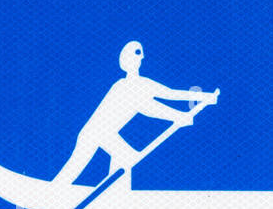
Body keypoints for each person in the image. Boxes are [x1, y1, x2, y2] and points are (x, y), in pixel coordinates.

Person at [51, 41, 217, 188]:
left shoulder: (144, 84)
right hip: (94, 133)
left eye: (141, 53)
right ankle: (50, 194)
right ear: (126, 59)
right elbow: (148, 107)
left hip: (106, 134)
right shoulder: (123, 86)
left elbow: (172, 93)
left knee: (125, 159)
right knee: (75, 168)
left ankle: (113, 197)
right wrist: (178, 116)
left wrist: (207, 97)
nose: (142, 57)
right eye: (137, 53)